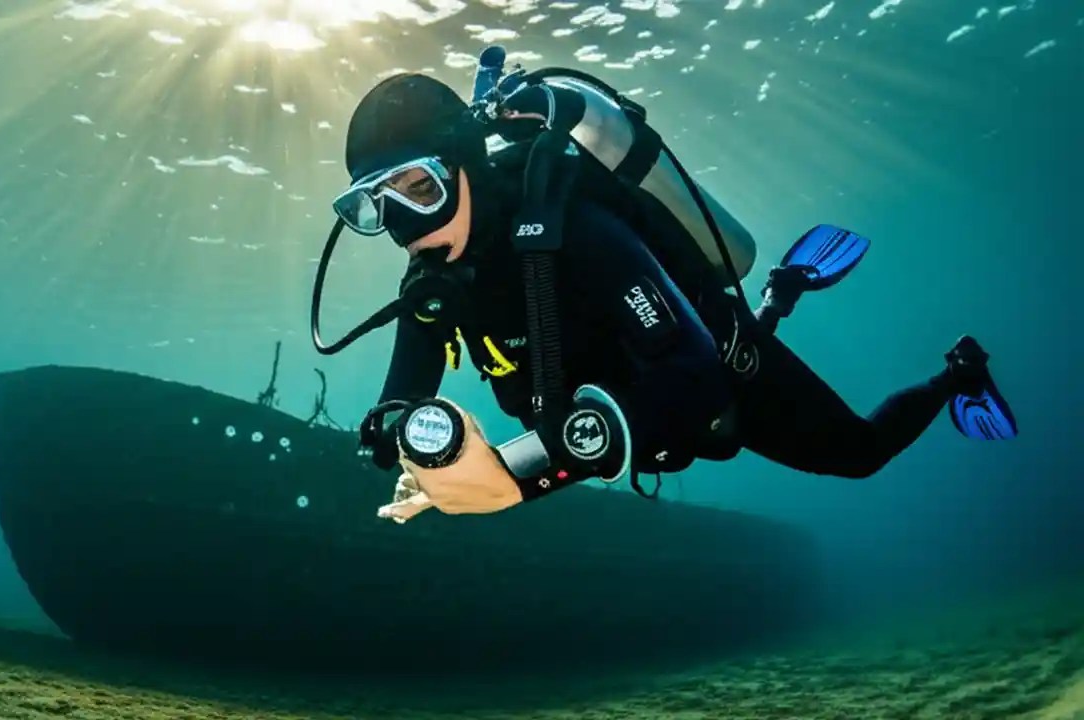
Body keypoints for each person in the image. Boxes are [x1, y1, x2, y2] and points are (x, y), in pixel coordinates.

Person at [319, 71, 1017, 523]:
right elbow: (402, 393)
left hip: (722, 374)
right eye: (373, 207)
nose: (406, 230)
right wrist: (402, 441)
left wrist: (513, 479)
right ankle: (781, 293)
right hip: (636, 416)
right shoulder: (433, 277)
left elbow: (694, 377)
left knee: (860, 454)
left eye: (421, 189)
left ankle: (956, 372)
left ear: (466, 165)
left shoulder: (570, 229)